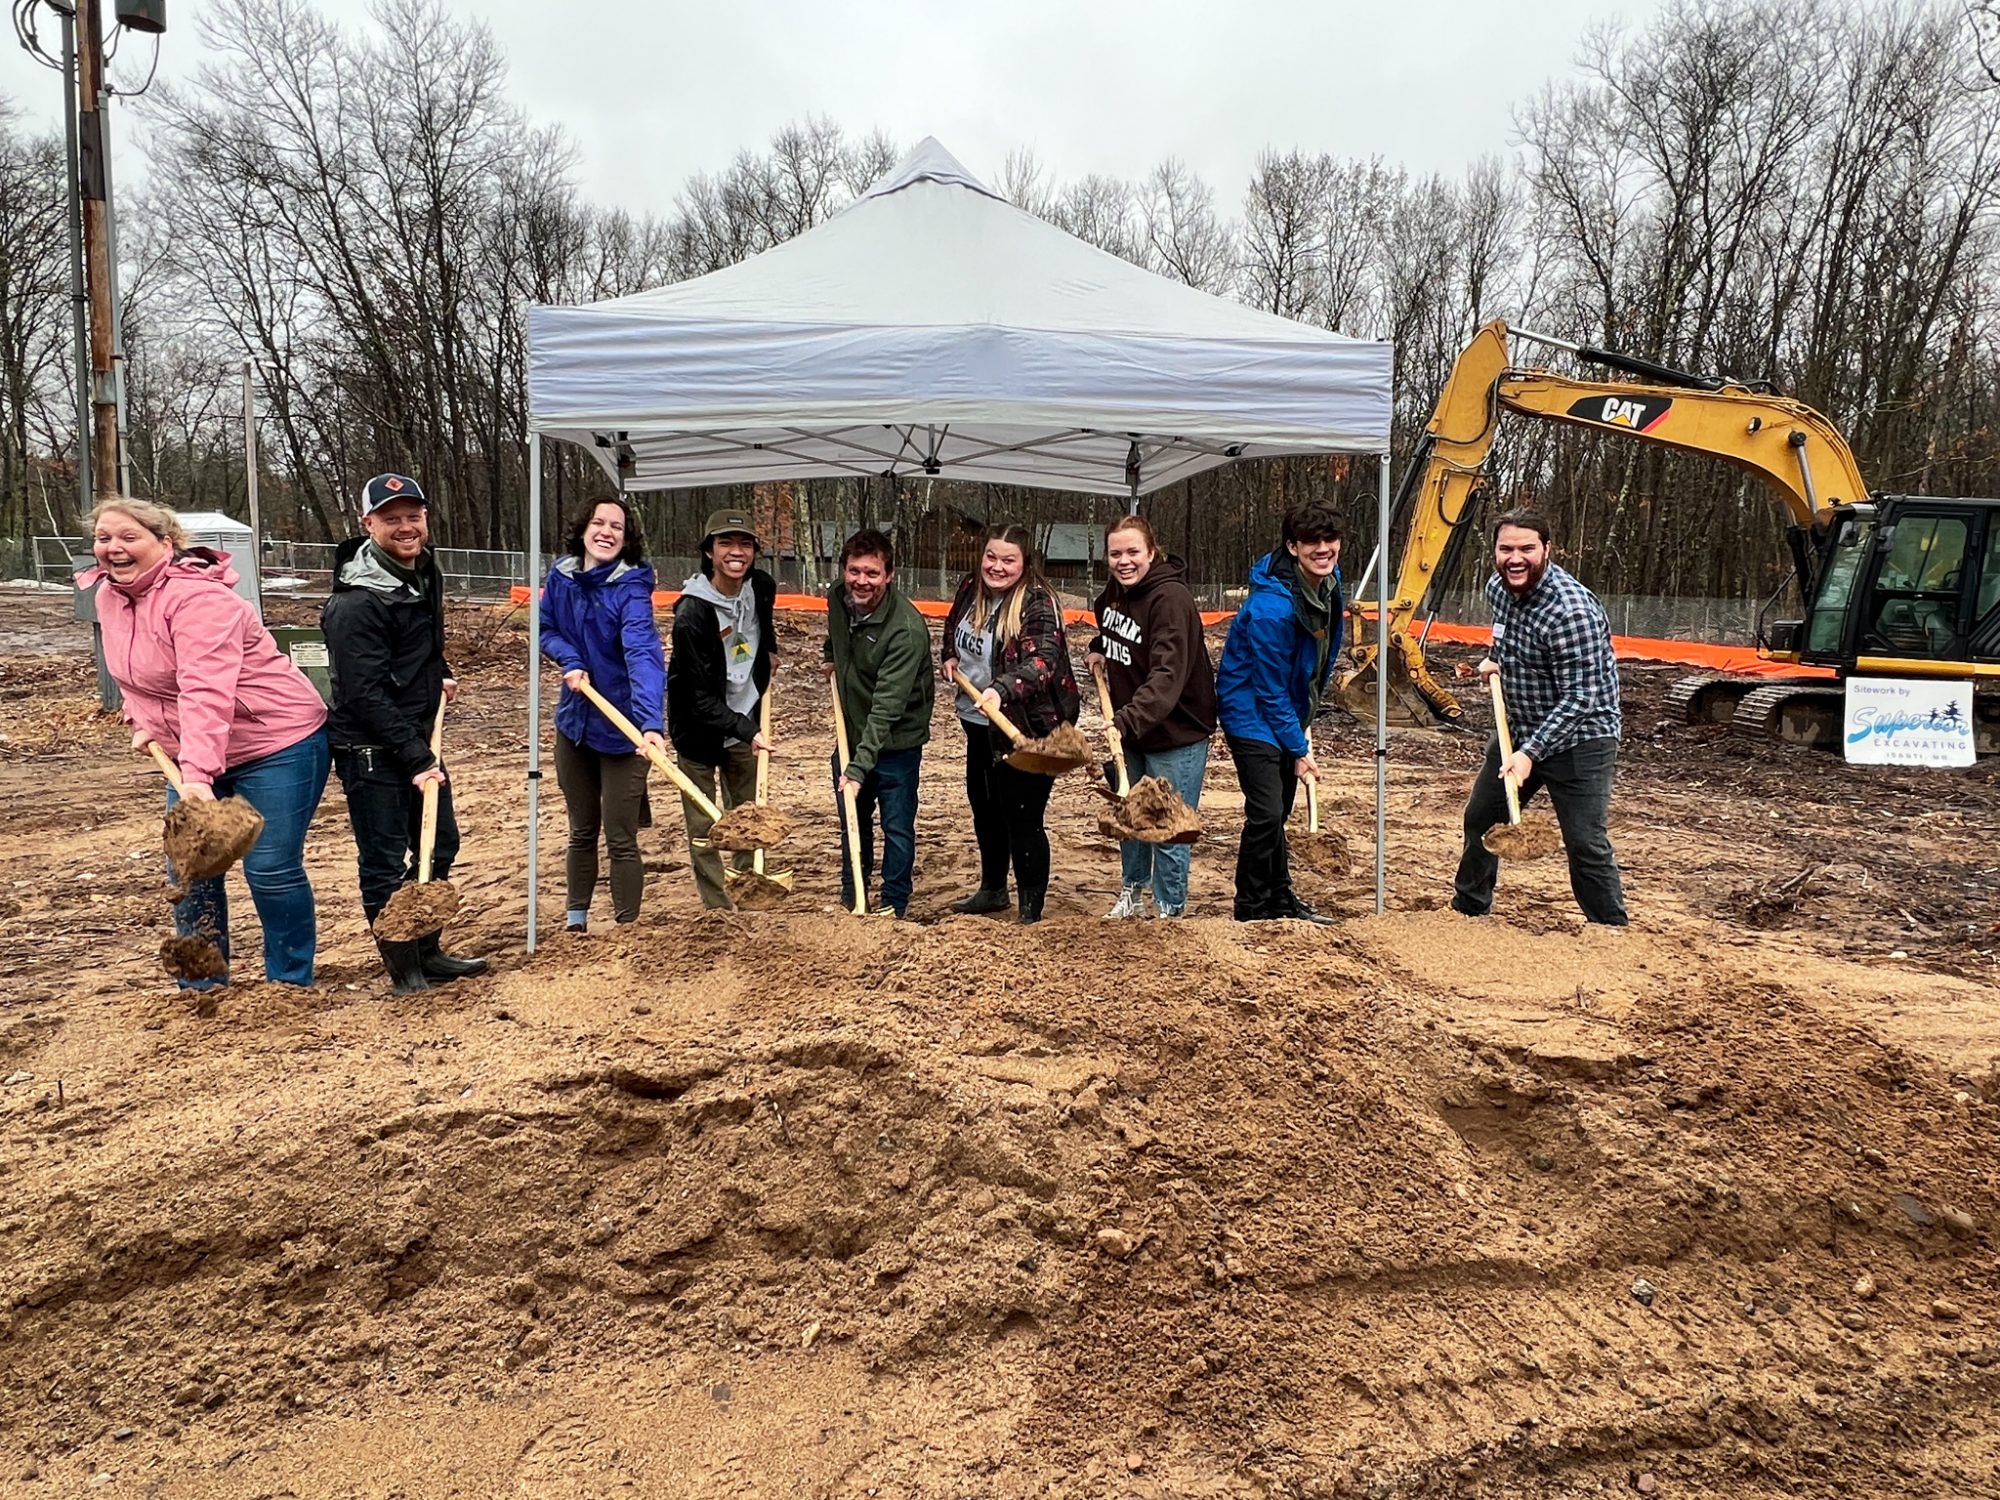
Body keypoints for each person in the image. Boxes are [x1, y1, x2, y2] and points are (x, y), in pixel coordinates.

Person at [82, 498, 331, 986]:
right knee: (190, 871)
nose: (114, 548)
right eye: (104, 538)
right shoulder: (109, 596)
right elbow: (135, 675)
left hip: (276, 742)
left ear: (165, 543)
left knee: (271, 867)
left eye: (129, 538)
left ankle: (289, 983)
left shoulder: (200, 601)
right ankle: (202, 983)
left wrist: (196, 776)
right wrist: (143, 720)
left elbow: (205, 689)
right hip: (193, 751)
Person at [322, 473, 488, 992]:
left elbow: (424, 641)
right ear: (367, 524)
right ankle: (403, 967)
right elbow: (363, 692)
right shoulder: (355, 603)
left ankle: (429, 949)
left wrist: (438, 671)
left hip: (417, 732)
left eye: (412, 516)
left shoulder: (425, 570)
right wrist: (417, 758)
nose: (405, 526)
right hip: (370, 745)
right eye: (391, 518)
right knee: (385, 859)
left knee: (439, 844)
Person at [1453, 508, 1627, 925]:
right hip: (1520, 729)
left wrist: (1531, 752)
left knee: (1584, 840)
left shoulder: (1571, 611)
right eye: (1506, 548)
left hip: (1582, 737)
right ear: (1494, 550)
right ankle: (1469, 909)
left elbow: (1582, 696)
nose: (1516, 558)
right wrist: (1496, 661)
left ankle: (1610, 929)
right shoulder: (1498, 589)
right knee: (1481, 818)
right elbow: (1508, 638)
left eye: (1527, 548)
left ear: (1547, 550)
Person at [940, 525, 1082, 925]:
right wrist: (950, 653)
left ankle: (1030, 908)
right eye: (991, 557)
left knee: (1022, 814)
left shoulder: (1038, 603)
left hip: (1028, 725)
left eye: (1008, 560)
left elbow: (1042, 662)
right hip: (979, 719)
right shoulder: (971, 587)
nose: (997, 567)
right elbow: (954, 625)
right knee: (985, 806)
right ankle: (992, 889)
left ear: (1025, 563)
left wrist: (1002, 690)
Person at [1213, 500, 1345, 925]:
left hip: (1287, 707)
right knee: (1266, 812)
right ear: (1293, 547)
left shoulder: (1327, 583)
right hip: (1248, 711)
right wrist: (1297, 746)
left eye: (1330, 540)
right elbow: (1268, 689)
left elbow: (1318, 655)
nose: (1323, 549)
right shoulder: (1272, 609)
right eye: (1312, 542)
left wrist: (1303, 719)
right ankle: (1250, 908)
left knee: (1280, 811)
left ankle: (1281, 899)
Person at [541, 496, 667, 932]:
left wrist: (650, 725)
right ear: (583, 528)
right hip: (575, 721)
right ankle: (575, 919)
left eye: (617, 526)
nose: (607, 531)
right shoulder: (561, 576)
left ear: (625, 537)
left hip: (624, 728)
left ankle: (626, 927)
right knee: (581, 829)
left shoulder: (631, 588)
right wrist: (570, 660)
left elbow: (643, 654)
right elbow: (546, 628)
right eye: (599, 522)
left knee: (620, 835)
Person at [1086, 515, 1218, 919]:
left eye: (1133, 552)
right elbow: (1123, 631)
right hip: (1135, 729)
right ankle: (1133, 891)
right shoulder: (1116, 591)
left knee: (1167, 827)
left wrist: (1125, 721)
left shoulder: (1170, 600)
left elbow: (1166, 676)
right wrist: (1098, 646)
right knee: (1131, 819)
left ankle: (1169, 910)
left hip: (1176, 732)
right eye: (1115, 553)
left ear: (1152, 551)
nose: (1124, 561)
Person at [667, 508, 778, 910]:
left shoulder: (761, 586)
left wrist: (770, 651)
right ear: (710, 552)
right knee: (705, 825)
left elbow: (763, 622)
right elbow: (698, 697)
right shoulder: (692, 614)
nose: (737, 552)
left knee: (747, 814)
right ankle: (717, 908)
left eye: (745, 544)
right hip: (697, 730)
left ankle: (746, 888)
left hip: (745, 714)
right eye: (726, 543)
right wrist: (749, 732)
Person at [825, 528, 932, 918]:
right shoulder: (838, 596)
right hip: (852, 731)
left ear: (888, 576)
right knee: (852, 819)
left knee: (897, 826)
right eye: (854, 571)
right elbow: (836, 632)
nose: (861, 581)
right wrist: (829, 654)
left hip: (896, 741)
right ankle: (854, 892)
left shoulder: (904, 630)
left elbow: (887, 709)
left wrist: (857, 767)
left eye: (872, 573)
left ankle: (894, 903)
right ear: (844, 570)